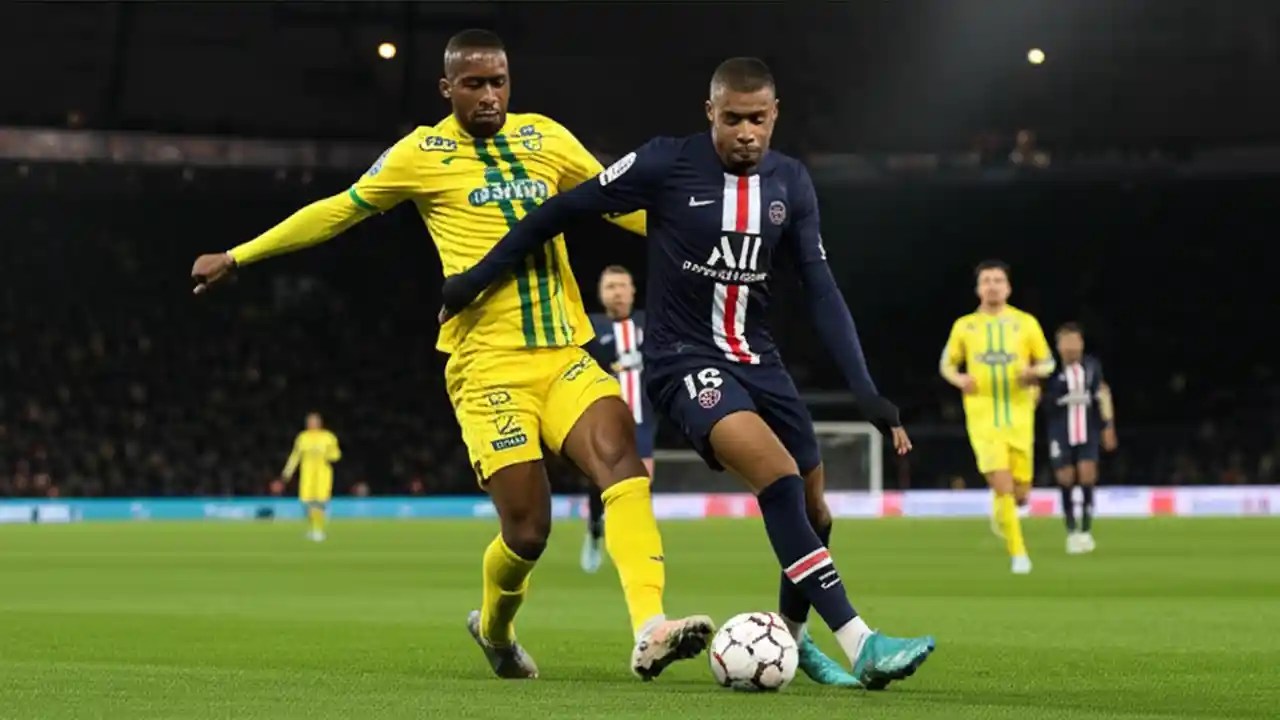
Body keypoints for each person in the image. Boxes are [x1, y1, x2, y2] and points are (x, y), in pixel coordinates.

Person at [190, 29, 712, 681]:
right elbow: (337, 211)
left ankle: (649, 627)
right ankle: (494, 628)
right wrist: (240, 254)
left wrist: (709, 235)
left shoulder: (545, 137)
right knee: (528, 533)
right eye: (474, 83)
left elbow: (620, 208)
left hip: (563, 352)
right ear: (447, 89)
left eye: (499, 81)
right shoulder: (421, 153)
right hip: (487, 364)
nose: (490, 95)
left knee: (622, 465)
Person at [441, 57, 935, 691]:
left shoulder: (791, 184)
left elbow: (821, 288)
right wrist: (477, 277)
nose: (746, 133)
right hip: (684, 362)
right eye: (732, 119)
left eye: (758, 119)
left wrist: (865, 388)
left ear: (775, 115)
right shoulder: (665, 164)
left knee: (816, 512)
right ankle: (861, 640)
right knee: (780, 482)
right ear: (711, 114)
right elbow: (560, 211)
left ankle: (794, 637)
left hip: (759, 360)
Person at [939, 260, 1055, 574]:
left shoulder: (1025, 323)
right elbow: (947, 365)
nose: (992, 285)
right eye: (987, 280)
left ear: (1008, 287)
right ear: (978, 288)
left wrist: (1033, 372)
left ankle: (1003, 511)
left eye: (998, 280)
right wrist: (960, 379)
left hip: (1019, 415)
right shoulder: (965, 326)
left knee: (1021, 492)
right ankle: (1019, 554)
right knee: (1002, 484)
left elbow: (1048, 362)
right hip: (982, 416)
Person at [579, 265, 655, 573]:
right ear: (601, 293)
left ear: (633, 291)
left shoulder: (648, 325)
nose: (618, 292)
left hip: (643, 417)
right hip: (604, 418)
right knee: (602, 483)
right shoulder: (590, 329)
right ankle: (595, 530)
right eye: (611, 286)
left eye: (623, 286)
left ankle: (638, 550)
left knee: (643, 483)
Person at [1044, 322, 1117, 554]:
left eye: (1076, 341)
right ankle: (1071, 530)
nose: (1072, 346)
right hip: (1060, 430)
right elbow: (1038, 396)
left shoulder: (1092, 367)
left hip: (1088, 429)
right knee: (1066, 478)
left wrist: (1108, 425)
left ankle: (1086, 530)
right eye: (1067, 342)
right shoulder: (1049, 369)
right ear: (1058, 346)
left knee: (1087, 475)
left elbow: (1102, 394)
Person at [280, 412, 342, 542]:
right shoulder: (302, 437)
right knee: (306, 503)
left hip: (322, 475)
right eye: (310, 422)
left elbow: (336, 454)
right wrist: (287, 472)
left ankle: (318, 531)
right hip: (307, 476)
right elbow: (295, 456)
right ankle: (313, 529)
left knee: (319, 503)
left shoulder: (328, 437)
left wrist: (329, 455)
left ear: (320, 423)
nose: (312, 424)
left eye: (314, 422)